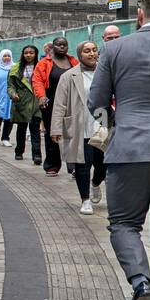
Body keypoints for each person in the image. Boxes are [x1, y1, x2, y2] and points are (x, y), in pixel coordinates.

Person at [87, 0, 150, 300]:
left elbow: (96, 101)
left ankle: (142, 283)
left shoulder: (114, 49)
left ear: (140, 14)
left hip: (130, 149)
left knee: (125, 224)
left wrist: (116, 127)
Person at [52, 40, 110, 216]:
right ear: (79, 55)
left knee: (103, 164)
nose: (92, 54)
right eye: (87, 51)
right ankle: (85, 199)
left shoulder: (105, 72)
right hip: (80, 126)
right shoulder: (69, 76)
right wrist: (56, 128)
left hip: (102, 125)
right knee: (83, 164)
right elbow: (60, 103)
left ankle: (95, 184)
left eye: (94, 50)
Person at [32, 36, 79, 176]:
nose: (62, 47)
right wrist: (41, 96)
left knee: (72, 133)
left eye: (65, 45)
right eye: (59, 45)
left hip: (71, 101)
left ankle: (73, 166)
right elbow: (37, 81)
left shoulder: (74, 62)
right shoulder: (44, 63)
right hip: (50, 102)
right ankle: (52, 165)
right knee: (52, 133)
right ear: (53, 47)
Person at [8, 45, 43, 164]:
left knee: (35, 130)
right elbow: (10, 85)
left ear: (36, 54)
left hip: (36, 102)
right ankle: (19, 151)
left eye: (31, 53)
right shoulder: (15, 68)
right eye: (26, 53)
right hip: (21, 102)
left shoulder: (41, 66)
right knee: (21, 130)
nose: (28, 55)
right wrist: (13, 94)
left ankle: (37, 155)